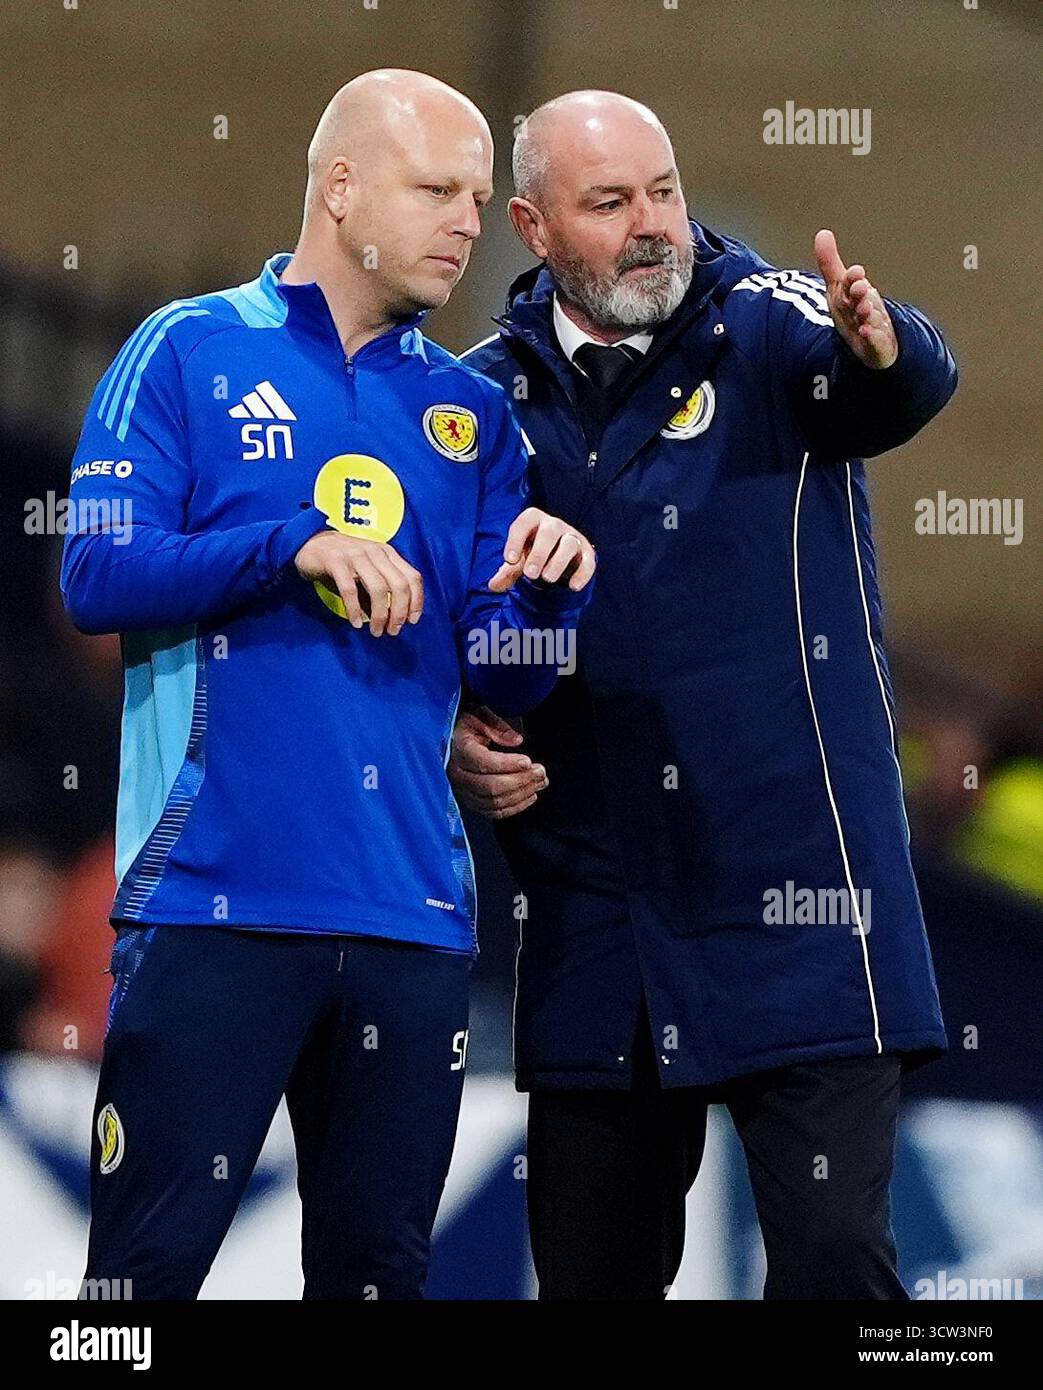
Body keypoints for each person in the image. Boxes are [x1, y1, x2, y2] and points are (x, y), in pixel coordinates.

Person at [60, 69, 594, 1301]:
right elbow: (97, 570)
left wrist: (551, 599)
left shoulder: (471, 418)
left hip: (410, 920)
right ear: (340, 187)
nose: (468, 220)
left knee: (377, 1281)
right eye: (436, 188)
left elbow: (499, 670)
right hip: (213, 902)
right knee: (134, 1290)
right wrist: (288, 542)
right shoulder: (187, 349)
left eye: (477, 195)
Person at [453, 90, 957, 1300]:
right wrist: (453, 728)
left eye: (663, 191)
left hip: (803, 907)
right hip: (595, 917)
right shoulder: (469, 399)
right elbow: (451, 624)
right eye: (610, 201)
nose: (651, 226)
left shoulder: (767, 323)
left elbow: (888, 379)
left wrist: (881, 342)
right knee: (590, 1276)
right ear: (531, 223)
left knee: (837, 1265)